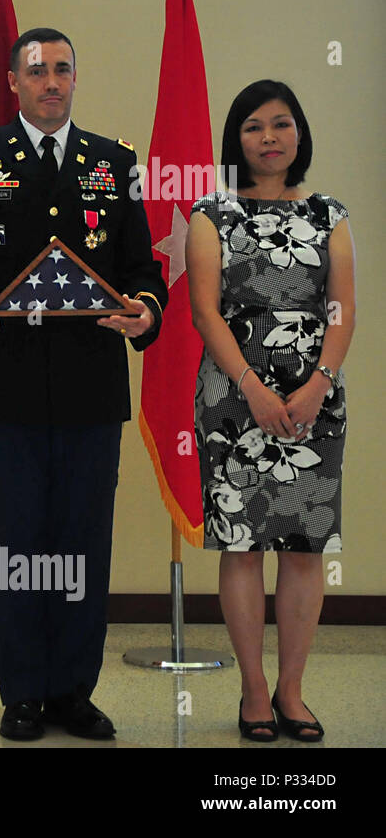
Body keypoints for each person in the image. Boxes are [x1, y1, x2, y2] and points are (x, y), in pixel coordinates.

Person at [0, 28, 167, 741]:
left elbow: (142, 266)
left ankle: (73, 692)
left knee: (84, 544)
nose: (51, 81)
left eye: (62, 69)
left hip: (89, 390)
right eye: (37, 70)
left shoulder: (112, 163)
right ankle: (23, 692)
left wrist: (145, 308)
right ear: (13, 81)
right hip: (4, 389)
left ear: (74, 80)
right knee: (19, 546)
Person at [186, 80, 353, 743]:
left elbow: (341, 310)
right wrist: (253, 387)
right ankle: (254, 691)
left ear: (300, 134)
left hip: (316, 395)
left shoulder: (330, 212)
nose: (270, 137)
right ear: (238, 139)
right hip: (233, 396)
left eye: (282, 124)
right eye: (254, 126)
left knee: (305, 546)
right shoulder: (212, 212)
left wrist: (318, 383)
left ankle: (293, 690)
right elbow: (205, 310)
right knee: (243, 545)